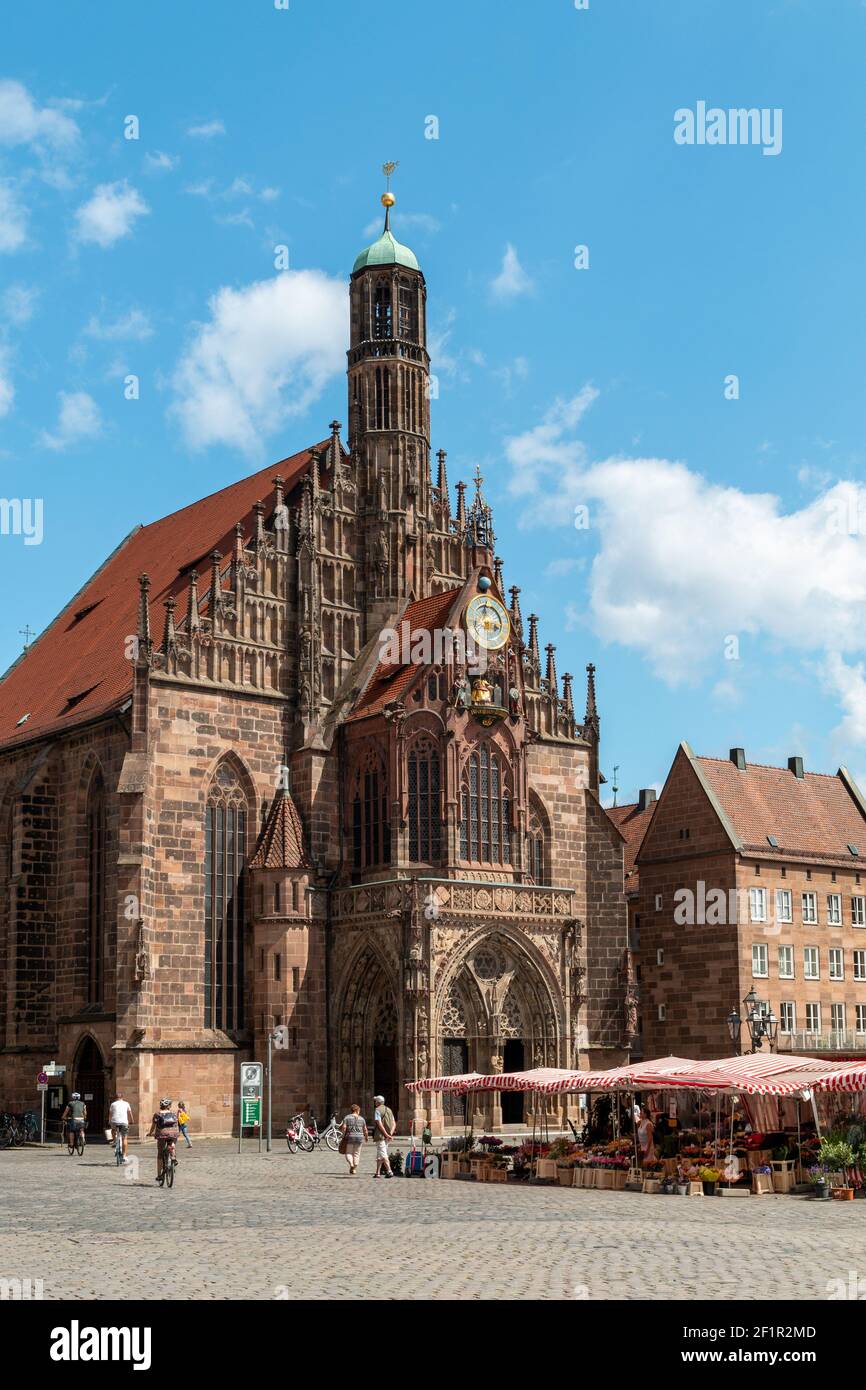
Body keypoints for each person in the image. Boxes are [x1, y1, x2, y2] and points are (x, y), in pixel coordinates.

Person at [146, 1097, 180, 1183]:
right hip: (174, 1133)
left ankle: (159, 1175)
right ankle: (173, 1156)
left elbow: (153, 1126)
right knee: (172, 1142)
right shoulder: (173, 1114)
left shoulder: (157, 1114)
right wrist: (175, 1133)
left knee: (160, 1154)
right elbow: (176, 1124)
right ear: (168, 1106)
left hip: (162, 1134)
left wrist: (150, 1133)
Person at [339, 1103, 367, 1176]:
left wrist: (343, 1135)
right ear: (357, 1110)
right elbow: (365, 1130)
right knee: (357, 1154)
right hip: (360, 1138)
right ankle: (354, 1168)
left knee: (348, 1153)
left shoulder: (347, 1117)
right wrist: (366, 1137)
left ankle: (351, 1164)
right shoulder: (362, 1118)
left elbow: (344, 1128)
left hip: (350, 1137)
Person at [372, 1094, 395, 1178]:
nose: (374, 1103)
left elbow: (379, 1123)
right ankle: (377, 1173)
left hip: (381, 1136)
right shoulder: (389, 1110)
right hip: (387, 1136)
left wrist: (386, 1134)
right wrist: (390, 1134)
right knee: (380, 1154)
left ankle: (389, 1171)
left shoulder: (377, 1110)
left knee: (383, 1154)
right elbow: (394, 1123)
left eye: (375, 1101)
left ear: (378, 1102)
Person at [109, 1091, 134, 1162]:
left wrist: (109, 1121)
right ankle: (124, 1155)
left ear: (115, 1098)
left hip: (114, 1122)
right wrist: (132, 1121)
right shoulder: (126, 1103)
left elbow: (110, 1114)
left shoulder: (113, 1104)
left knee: (113, 1130)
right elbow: (130, 1113)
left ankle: (114, 1141)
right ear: (122, 1097)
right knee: (124, 1138)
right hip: (124, 1122)